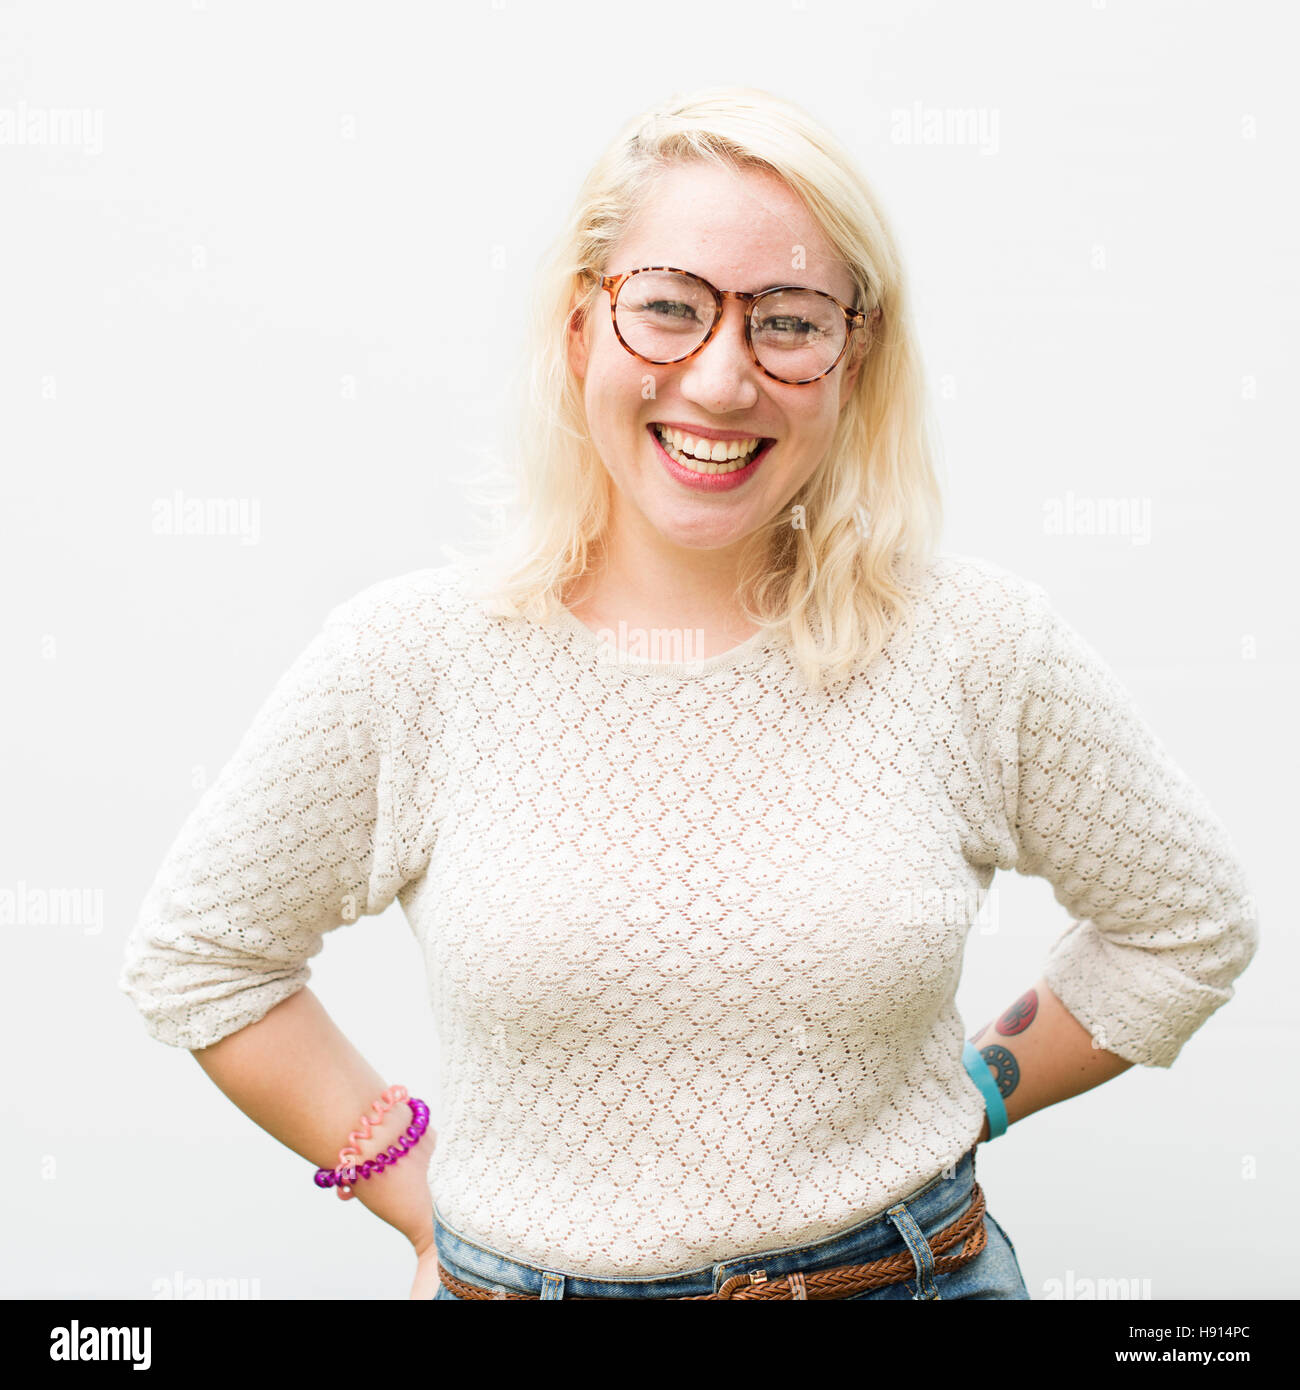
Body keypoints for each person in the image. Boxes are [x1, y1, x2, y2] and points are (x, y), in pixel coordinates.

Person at [119, 86, 1258, 1302]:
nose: (720, 381)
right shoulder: (412, 659)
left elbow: (1187, 925)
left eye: (788, 320)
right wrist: (418, 1193)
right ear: (579, 330)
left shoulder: (974, 646)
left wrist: (977, 1089)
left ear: (851, 356)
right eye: (666, 307)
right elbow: (204, 960)